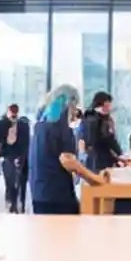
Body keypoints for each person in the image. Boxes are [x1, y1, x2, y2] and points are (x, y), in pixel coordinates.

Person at [29, 85, 106, 215]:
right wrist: (95, 179)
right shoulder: (62, 129)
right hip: (58, 196)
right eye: (75, 106)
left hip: (39, 194)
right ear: (69, 105)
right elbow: (68, 161)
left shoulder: (39, 127)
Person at [0, 103, 30, 213]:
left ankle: (20, 203)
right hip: (7, 156)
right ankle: (11, 202)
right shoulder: (0, 125)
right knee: (10, 179)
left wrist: (21, 157)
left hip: (21, 156)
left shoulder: (24, 126)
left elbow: (26, 144)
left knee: (21, 179)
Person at [81, 91, 123, 173]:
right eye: (109, 104)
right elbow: (108, 139)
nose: (110, 107)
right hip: (101, 161)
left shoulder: (88, 116)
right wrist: (120, 154)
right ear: (104, 103)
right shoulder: (100, 119)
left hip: (92, 159)